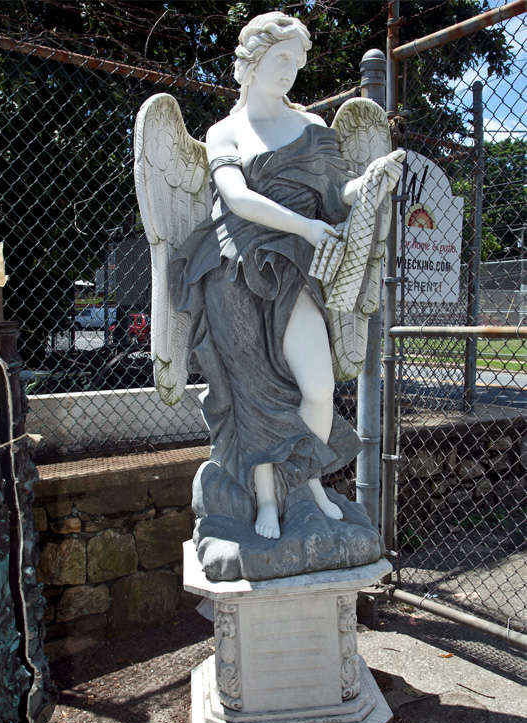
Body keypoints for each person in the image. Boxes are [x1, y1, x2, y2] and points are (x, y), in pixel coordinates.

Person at [171, 12, 403, 547]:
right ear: (252, 62)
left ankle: (306, 481)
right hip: (232, 269)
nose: (289, 72)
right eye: (281, 59)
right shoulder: (225, 131)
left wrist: (370, 182)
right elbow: (235, 198)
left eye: (296, 63)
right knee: (253, 390)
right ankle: (268, 498)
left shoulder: (312, 128)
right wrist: (305, 226)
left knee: (318, 387)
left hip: (295, 270)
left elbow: (338, 195)